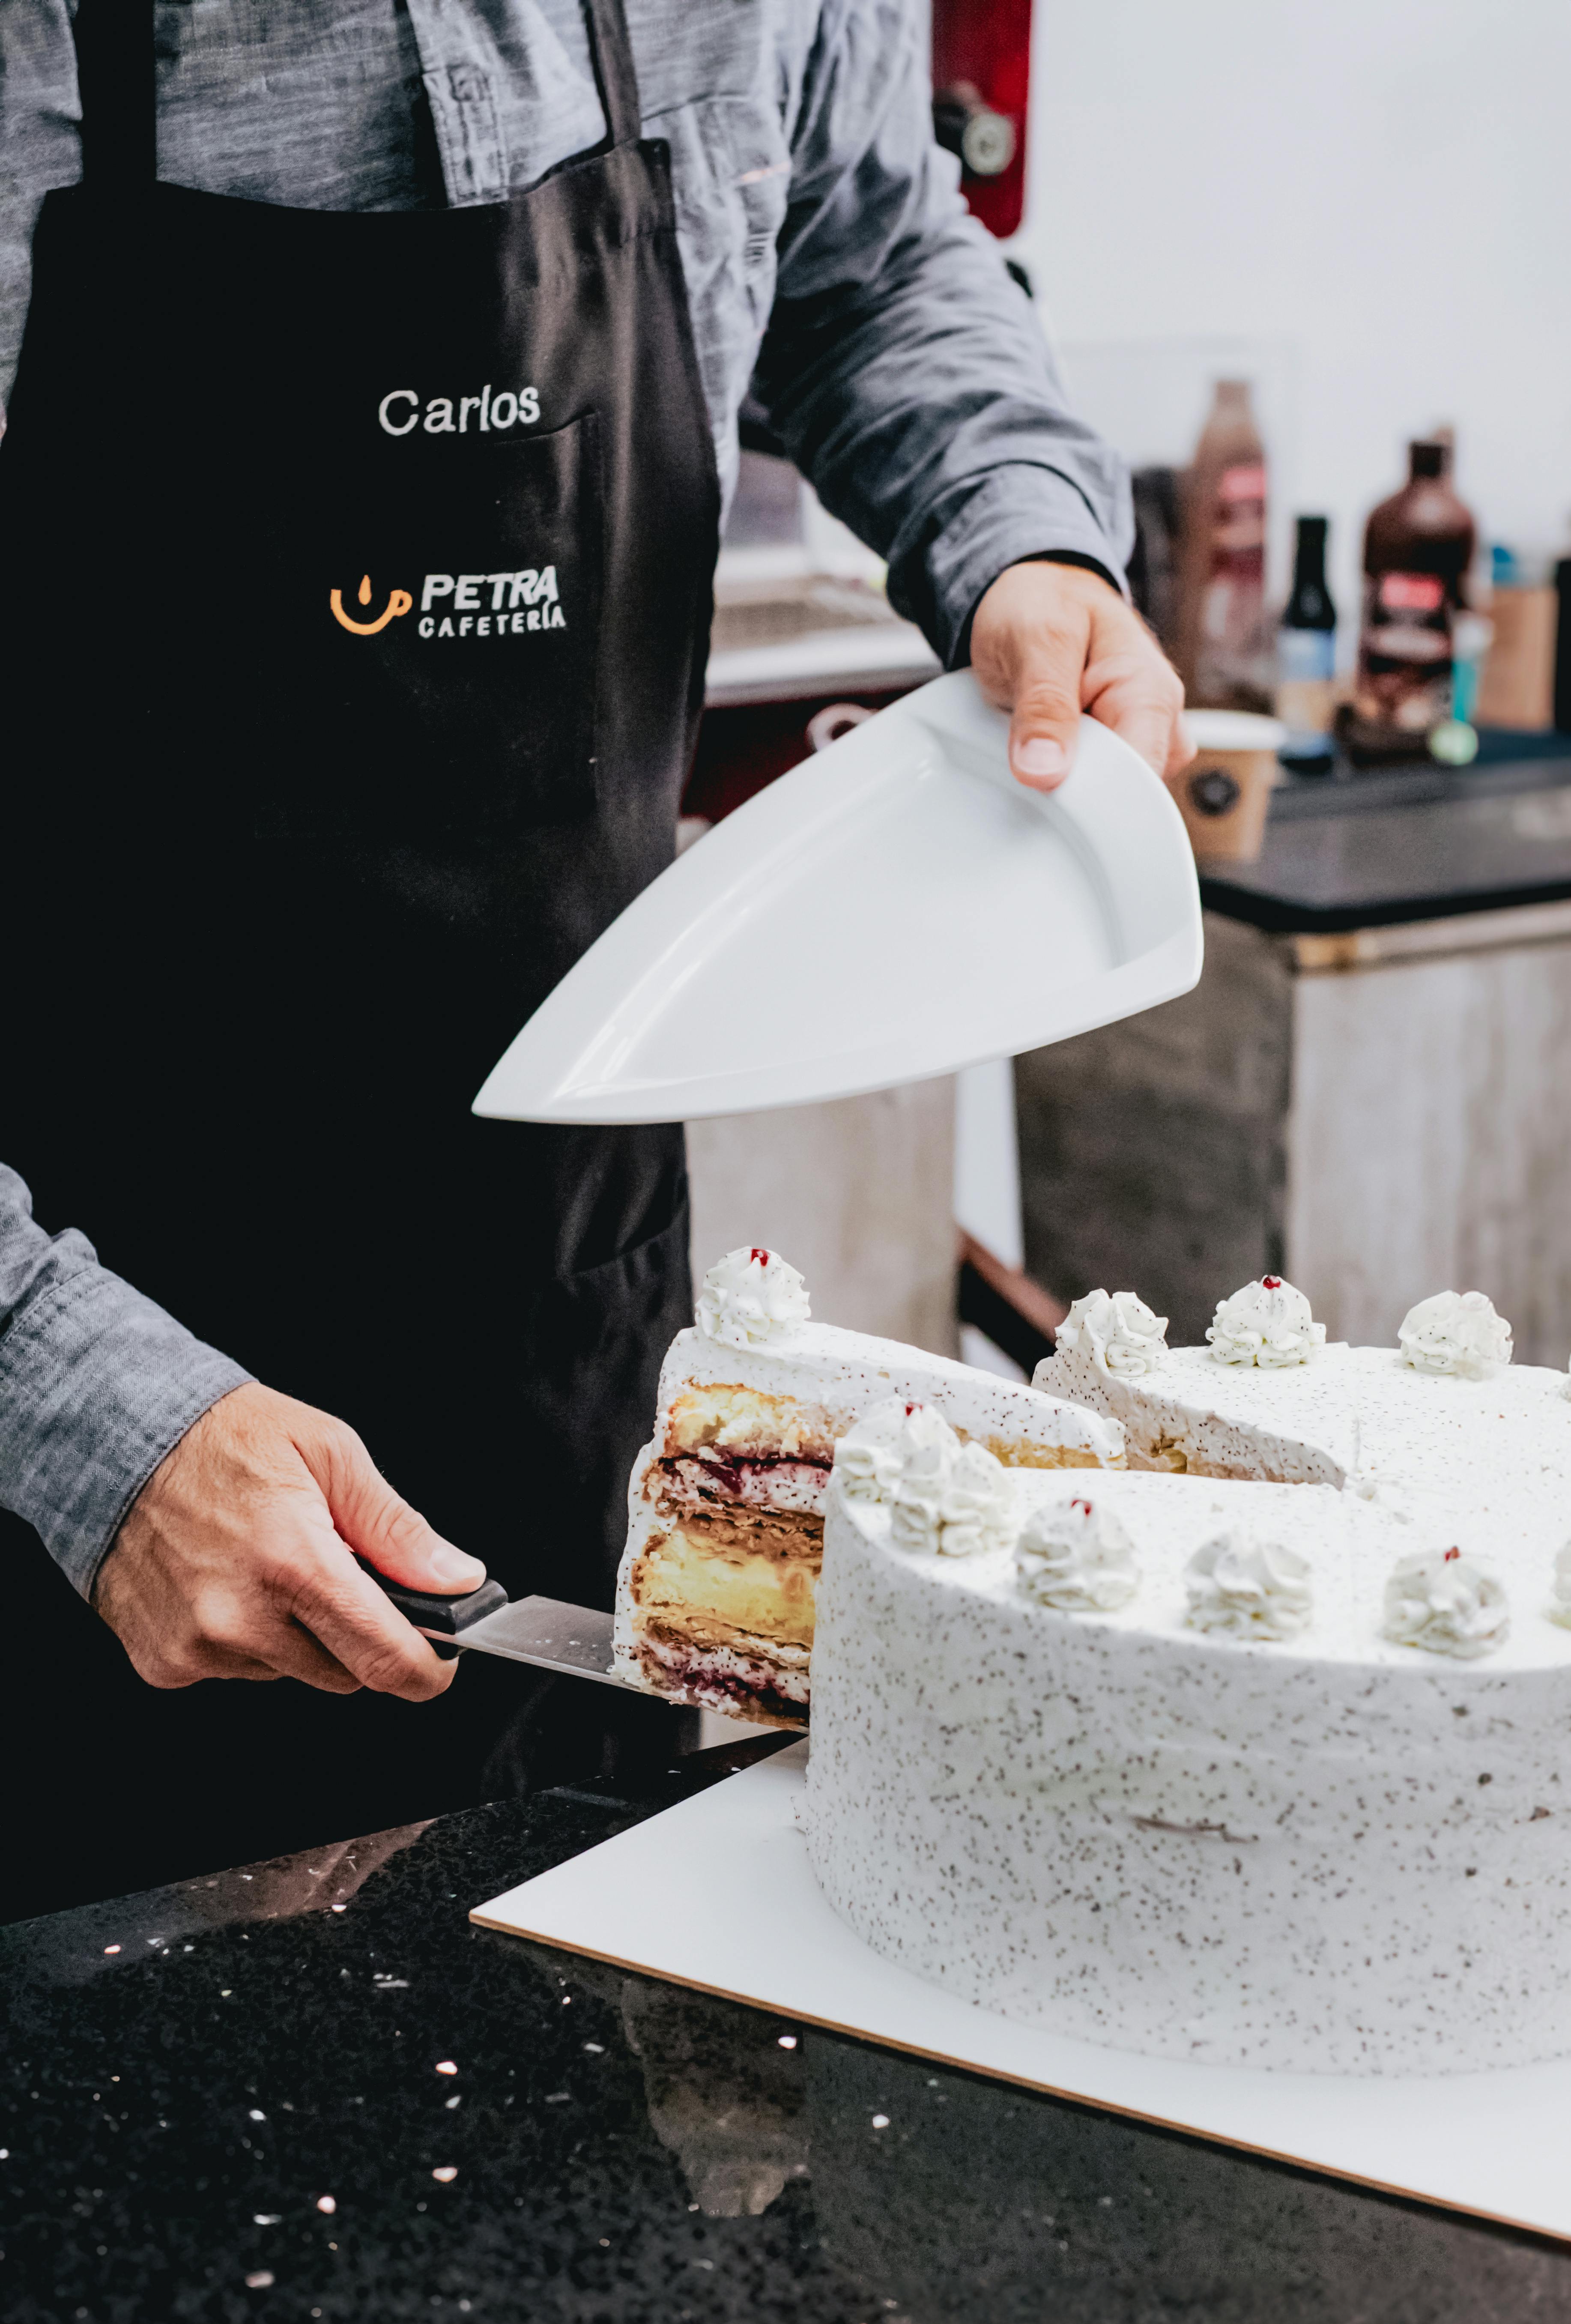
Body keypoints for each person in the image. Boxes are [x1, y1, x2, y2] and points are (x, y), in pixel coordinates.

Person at [0, 0, 1186, 1915]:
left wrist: (1022, 539)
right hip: (55, 1433)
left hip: (564, 1333)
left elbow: (868, 251)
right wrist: (72, 1408)